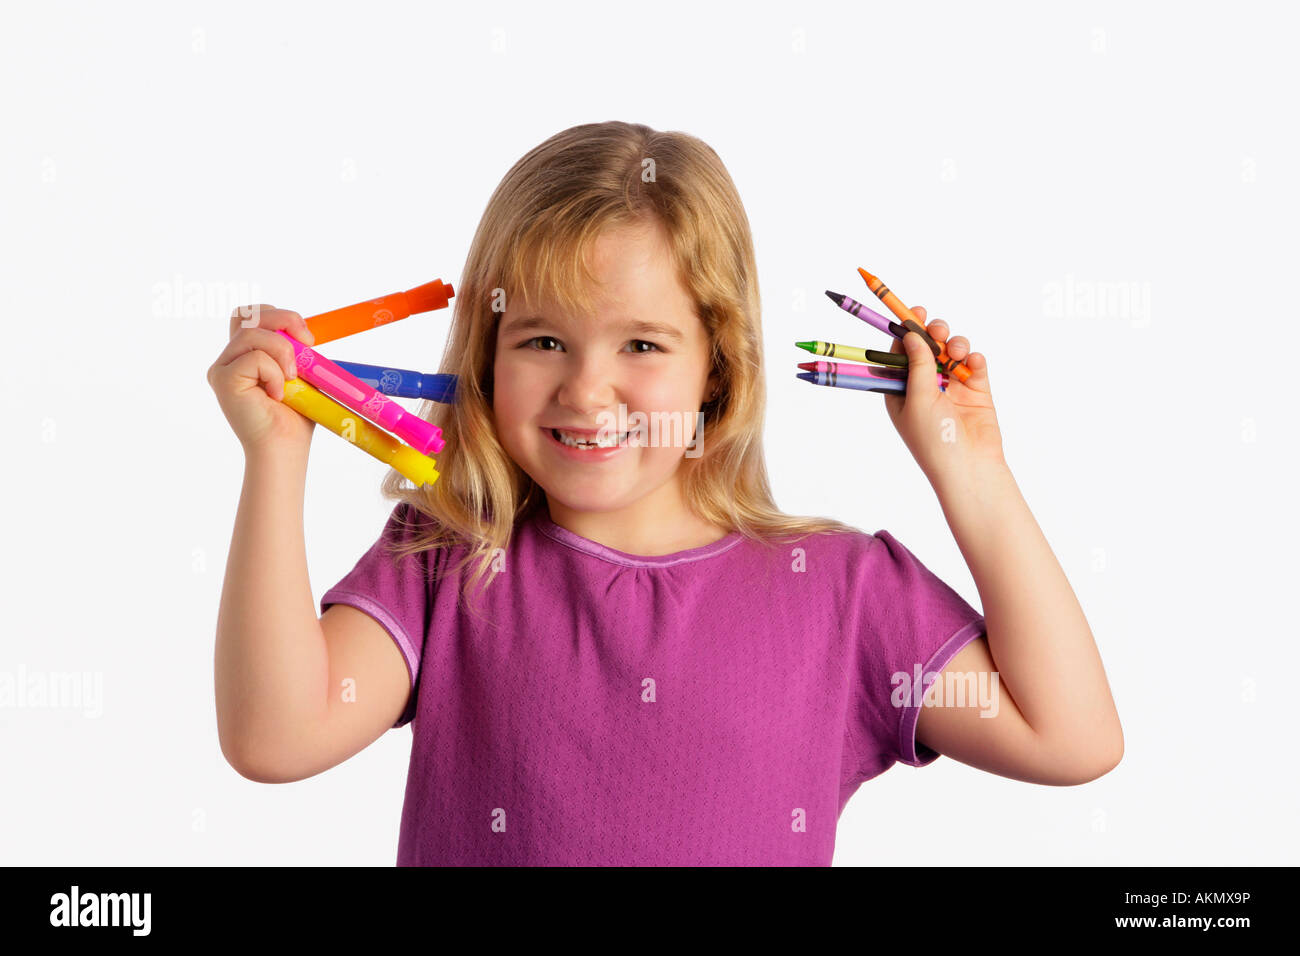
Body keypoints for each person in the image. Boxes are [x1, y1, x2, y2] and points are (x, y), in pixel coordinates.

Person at [207, 120, 1123, 866]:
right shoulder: (449, 559)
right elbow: (276, 737)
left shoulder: (842, 592)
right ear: (485, 360)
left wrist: (971, 464)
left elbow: (1070, 736)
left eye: (641, 346)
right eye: (541, 341)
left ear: (717, 371)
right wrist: (278, 460)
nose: (584, 391)